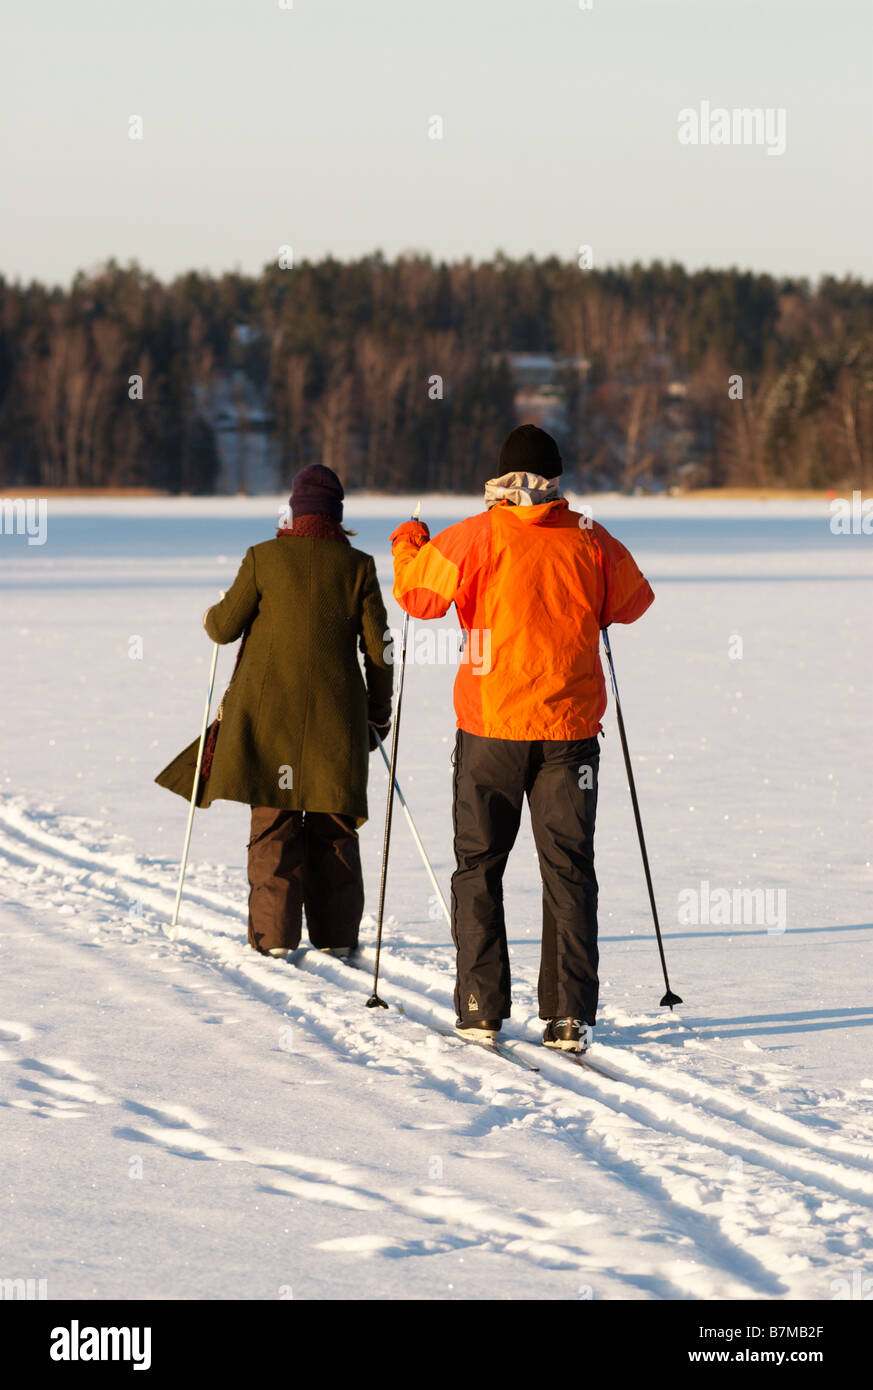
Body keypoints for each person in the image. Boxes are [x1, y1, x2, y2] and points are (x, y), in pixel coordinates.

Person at [390, 424, 654, 1053]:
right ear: (556, 480)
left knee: (479, 867)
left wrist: (407, 542)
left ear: (501, 480)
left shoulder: (474, 536)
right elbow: (635, 601)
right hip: (569, 733)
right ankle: (568, 1017)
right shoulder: (590, 537)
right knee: (569, 870)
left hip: (489, 730)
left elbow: (415, 597)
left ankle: (480, 1008)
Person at [156, 464, 392, 958]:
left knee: (274, 829)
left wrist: (210, 612)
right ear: (337, 517)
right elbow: (381, 651)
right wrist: (377, 714)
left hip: (268, 727)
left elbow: (223, 629)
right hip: (338, 726)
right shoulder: (359, 567)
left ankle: (274, 942)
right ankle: (337, 942)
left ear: (295, 511)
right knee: (335, 833)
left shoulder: (263, 559)